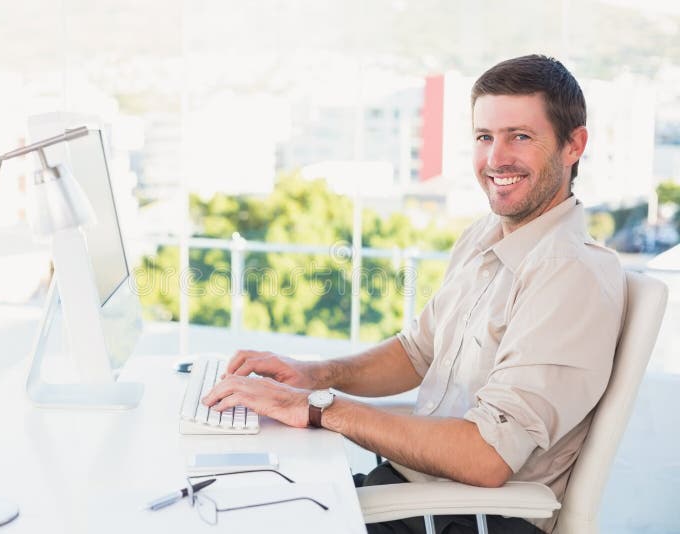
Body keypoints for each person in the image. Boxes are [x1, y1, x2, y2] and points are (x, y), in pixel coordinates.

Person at [202, 54, 625, 534]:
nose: (495, 158)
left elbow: (487, 458)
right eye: (484, 136)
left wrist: (318, 408)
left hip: (470, 519)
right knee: (234, 505)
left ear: (574, 145)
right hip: (413, 494)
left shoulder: (568, 274)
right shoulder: (487, 236)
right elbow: (417, 352)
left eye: (520, 137)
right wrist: (314, 375)